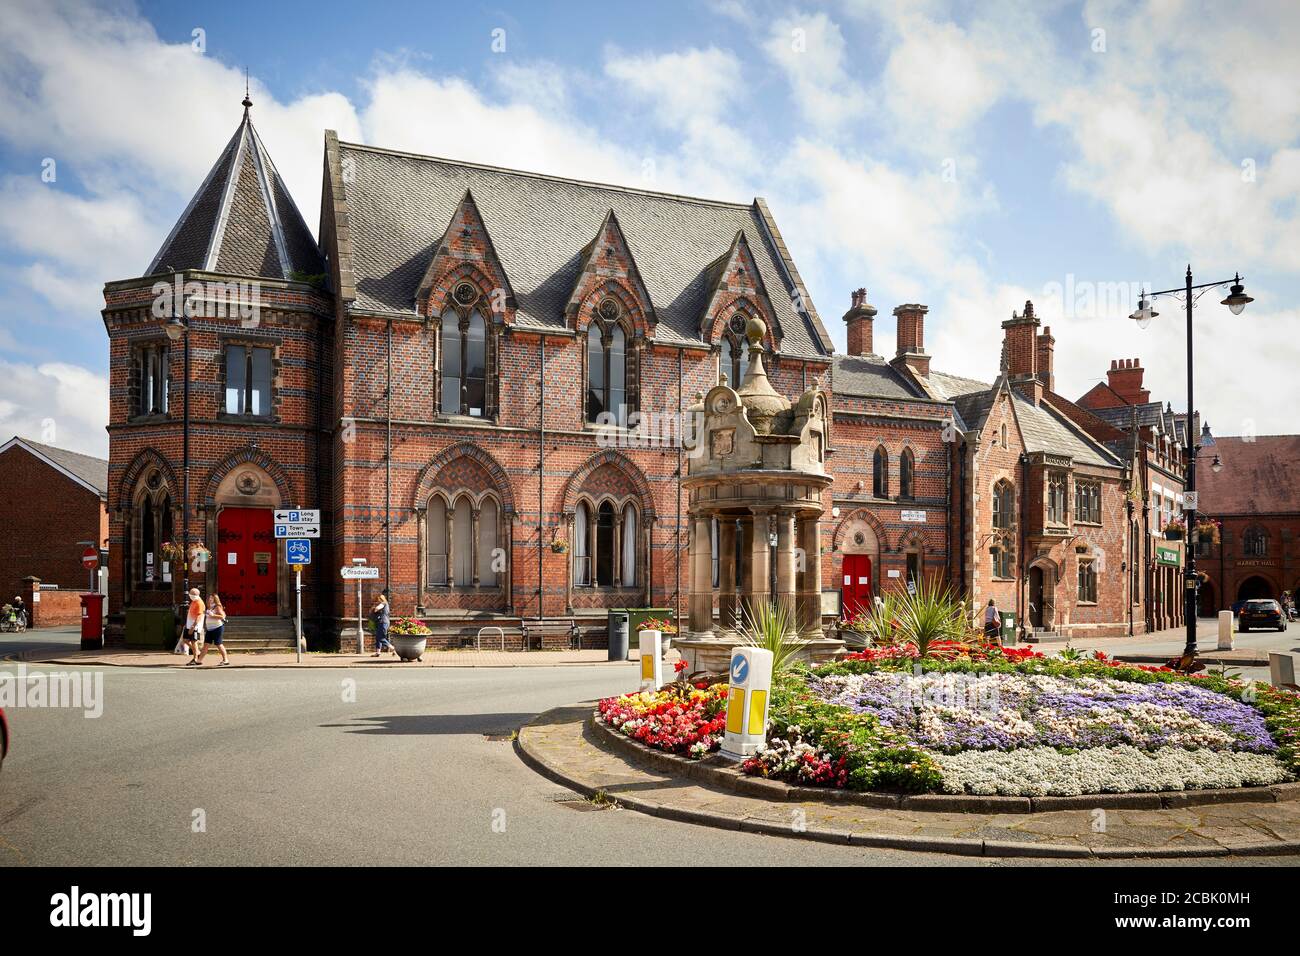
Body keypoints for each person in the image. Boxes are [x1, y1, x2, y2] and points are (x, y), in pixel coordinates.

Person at [196, 594, 229, 666]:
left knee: (218, 644)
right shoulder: (210, 607)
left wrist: (213, 615)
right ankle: (199, 660)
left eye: (212, 598)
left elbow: (222, 616)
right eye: (209, 598)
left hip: (217, 628)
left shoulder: (217, 607)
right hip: (210, 629)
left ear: (215, 599)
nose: (210, 599)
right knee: (206, 645)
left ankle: (225, 660)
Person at [183, 587, 206, 664]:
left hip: (195, 626)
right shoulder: (193, 601)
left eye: (192, 594)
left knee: (193, 641)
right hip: (189, 625)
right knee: (185, 640)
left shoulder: (199, 603)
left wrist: (193, 627)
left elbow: (199, 616)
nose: (190, 596)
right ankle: (197, 652)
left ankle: (195, 658)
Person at [371, 590, 394, 657]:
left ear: (381, 599)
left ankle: (392, 648)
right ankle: (378, 652)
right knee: (378, 637)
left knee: (381, 637)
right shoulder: (387, 606)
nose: (378, 601)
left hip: (382, 622)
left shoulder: (383, 603)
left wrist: (375, 609)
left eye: (379, 599)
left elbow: (376, 609)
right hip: (385, 622)